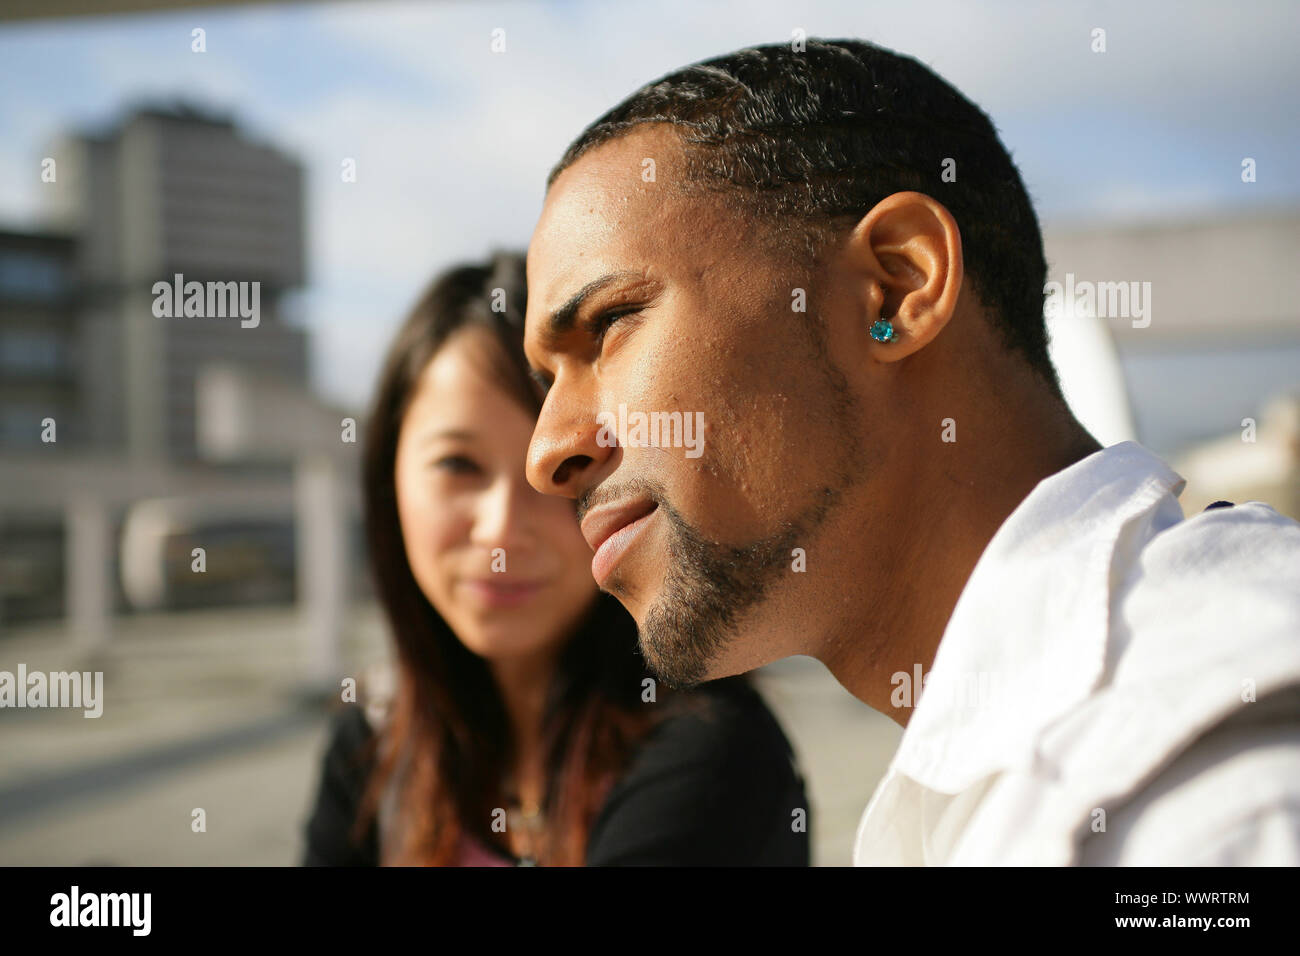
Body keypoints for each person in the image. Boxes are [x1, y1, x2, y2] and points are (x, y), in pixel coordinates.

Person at [519, 39, 1300, 865]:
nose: (546, 451)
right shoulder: (1020, 767)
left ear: (895, 288)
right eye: (543, 380)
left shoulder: (1210, 790)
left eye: (608, 324)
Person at [301, 252, 810, 866]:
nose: (502, 531)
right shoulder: (374, 747)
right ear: (389, 478)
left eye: (555, 471)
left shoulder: (709, 749)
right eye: (458, 465)